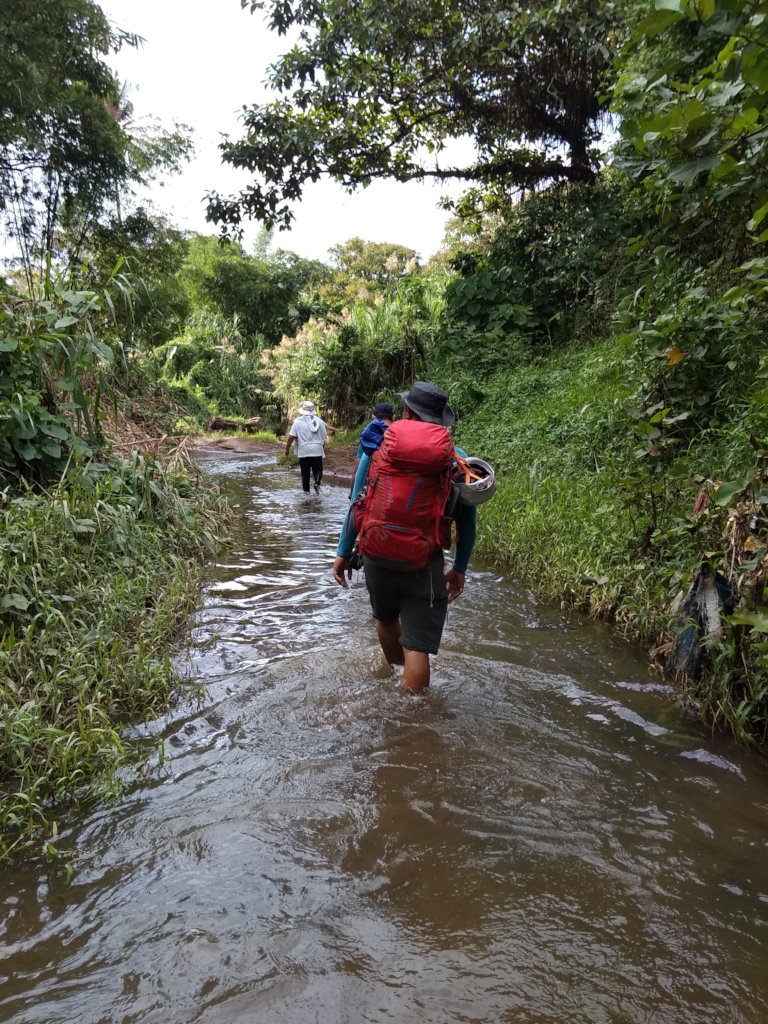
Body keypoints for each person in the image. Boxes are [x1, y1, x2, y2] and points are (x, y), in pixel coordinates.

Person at [333, 381, 478, 694]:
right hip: (423, 561)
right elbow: (467, 523)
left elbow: (358, 502)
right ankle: (413, 714)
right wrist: (460, 567)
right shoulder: (456, 459)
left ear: (407, 411)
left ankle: (398, 690)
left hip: (375, 553)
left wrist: (343, 551)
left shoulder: (378, 448)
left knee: (386, 620)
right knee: (418, 648)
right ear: (441, 420)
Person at [349, 401, 393, 496]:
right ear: (392, 417)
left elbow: (357, 472)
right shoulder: (398, 433)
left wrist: (351, 495)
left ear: (375, 416)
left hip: (370, 488)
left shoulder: (369, 434)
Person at [285, 400, 328, 493]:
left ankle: (306, 494)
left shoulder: (297, 422)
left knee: (305, 475)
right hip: (317, 450)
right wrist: (321, 448)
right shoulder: (320, 422)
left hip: (304, 451)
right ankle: (317, 483)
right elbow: (324, 438)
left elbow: (291, 437)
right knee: (318, 470)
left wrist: (287, 450)